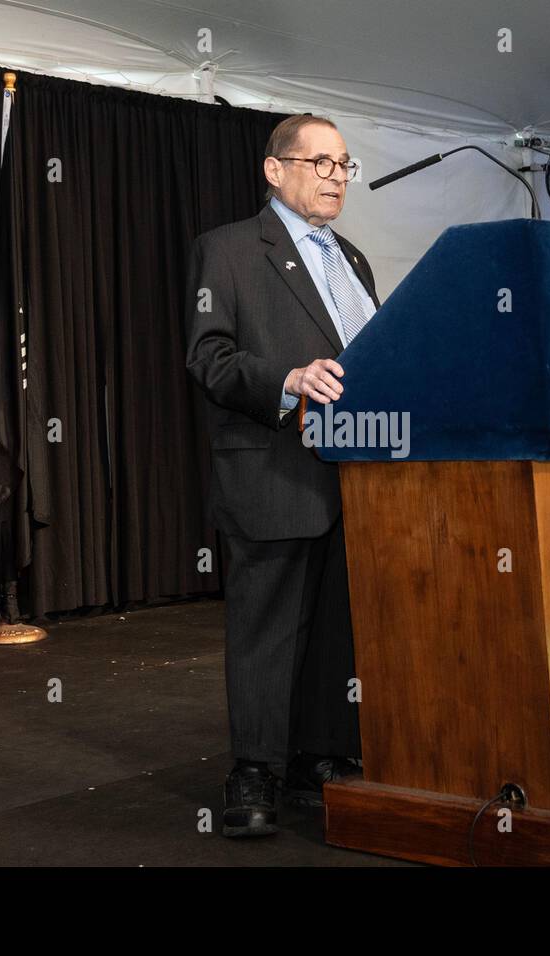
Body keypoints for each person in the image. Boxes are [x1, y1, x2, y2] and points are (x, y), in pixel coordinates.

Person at [184, 114, 379, 837]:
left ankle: (319, 755)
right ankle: (253, 773)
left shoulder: (354, 260)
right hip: (271, 471)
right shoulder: (229, 251)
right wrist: (288, 379)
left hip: (354, 479)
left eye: (344, 165)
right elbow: (208, 359)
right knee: (266, 632)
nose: (335, 176)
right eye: (320, 162)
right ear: (275, 169)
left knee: (337, 631)